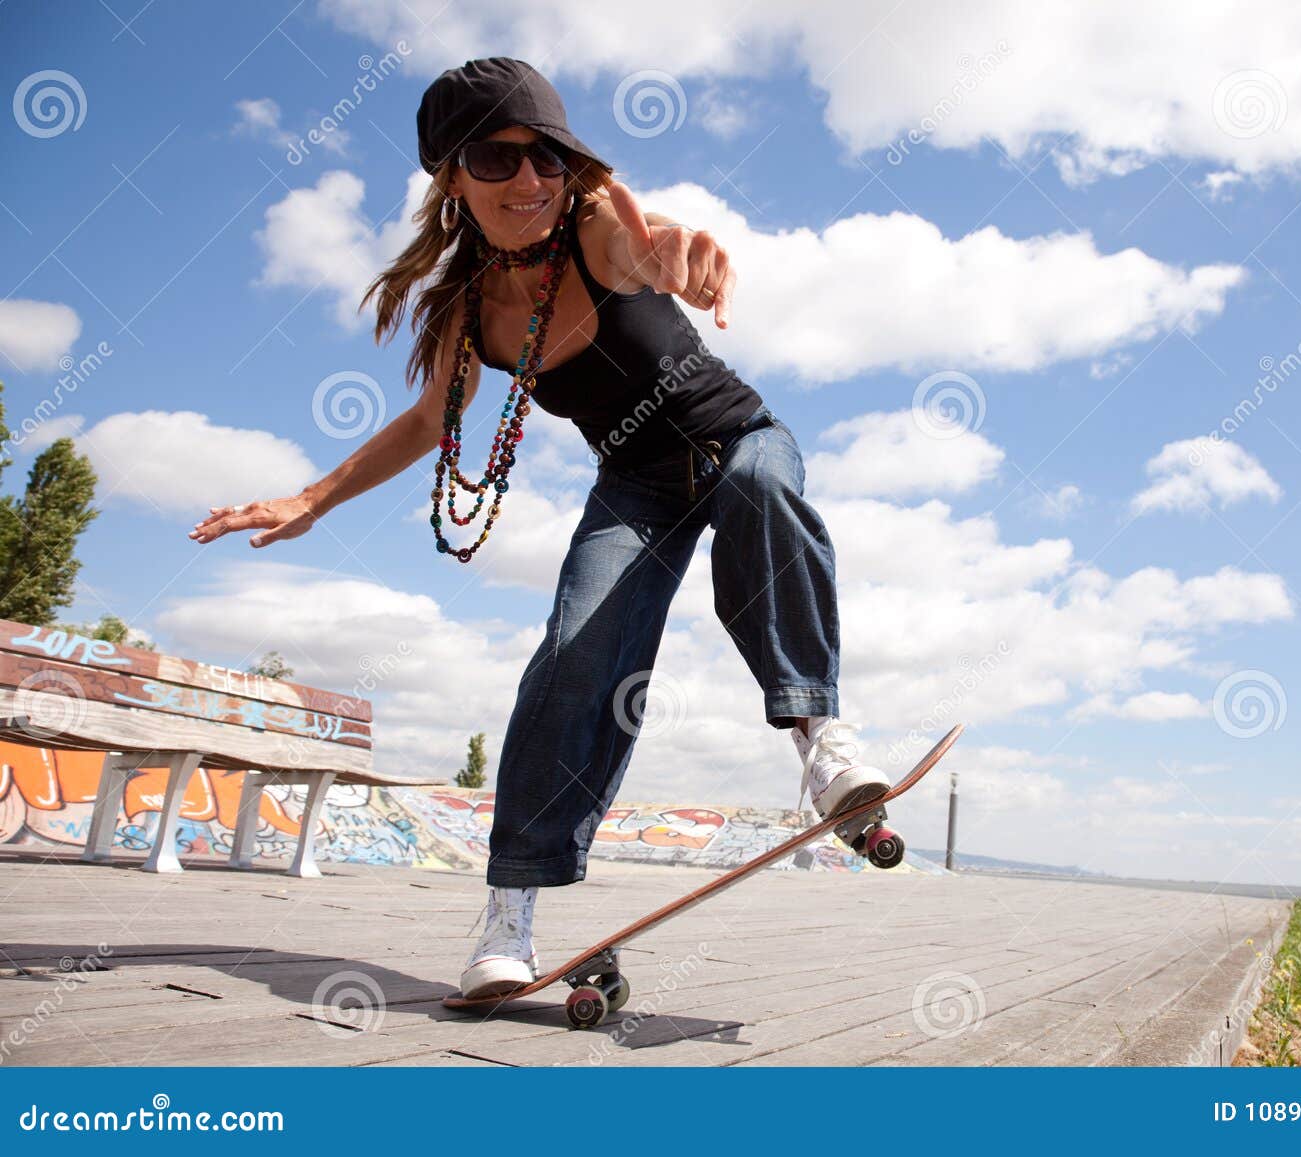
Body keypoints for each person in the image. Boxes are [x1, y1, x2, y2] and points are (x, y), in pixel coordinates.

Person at [189, 57, 889, 1001]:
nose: (528, 181)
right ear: (452, 177)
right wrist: (311, 499)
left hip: (736, 438)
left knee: (765, 486)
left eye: (548, 159)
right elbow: (430, 422)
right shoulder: (470, 309)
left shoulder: (599, 224)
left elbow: (647, 248)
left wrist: (676, 250)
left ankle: (821, 739)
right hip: (635, 487)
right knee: (570, 657)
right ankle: (511, 911)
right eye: (498, 158)